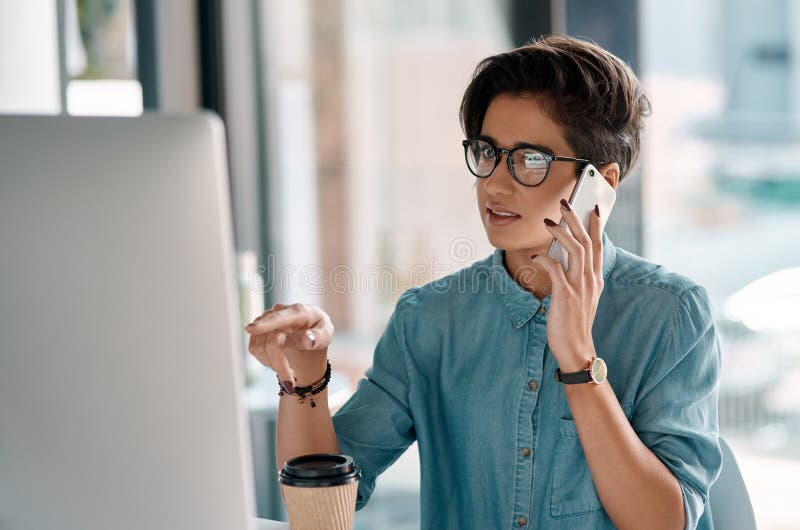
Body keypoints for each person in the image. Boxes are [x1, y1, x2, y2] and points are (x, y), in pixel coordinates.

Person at [244, 34, 723, 530]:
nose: (494, 182)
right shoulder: (428, 320)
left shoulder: (670, 314)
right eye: (488, 151)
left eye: (531, 160)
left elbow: (664, 522)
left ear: (601, 182)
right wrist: (306, 375)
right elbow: (322, 506)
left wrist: (579, 359)